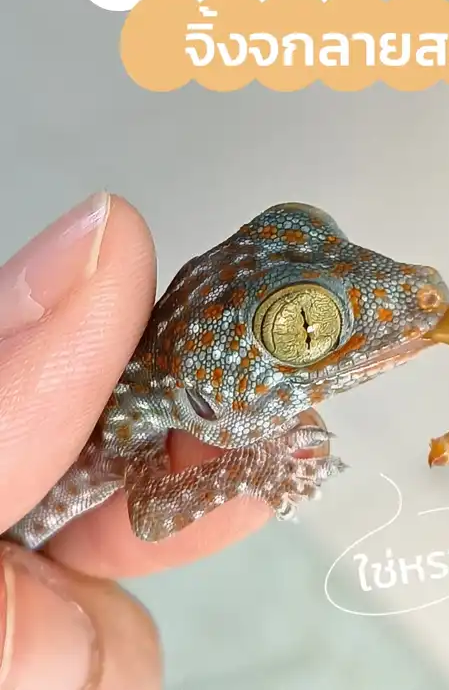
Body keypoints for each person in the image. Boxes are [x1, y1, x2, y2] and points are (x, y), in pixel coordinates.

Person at [0, 192, 269, 689]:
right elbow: (152, 516)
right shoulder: (131, 422)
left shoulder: (136, 396)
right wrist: (255, 468)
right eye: (305, 330)